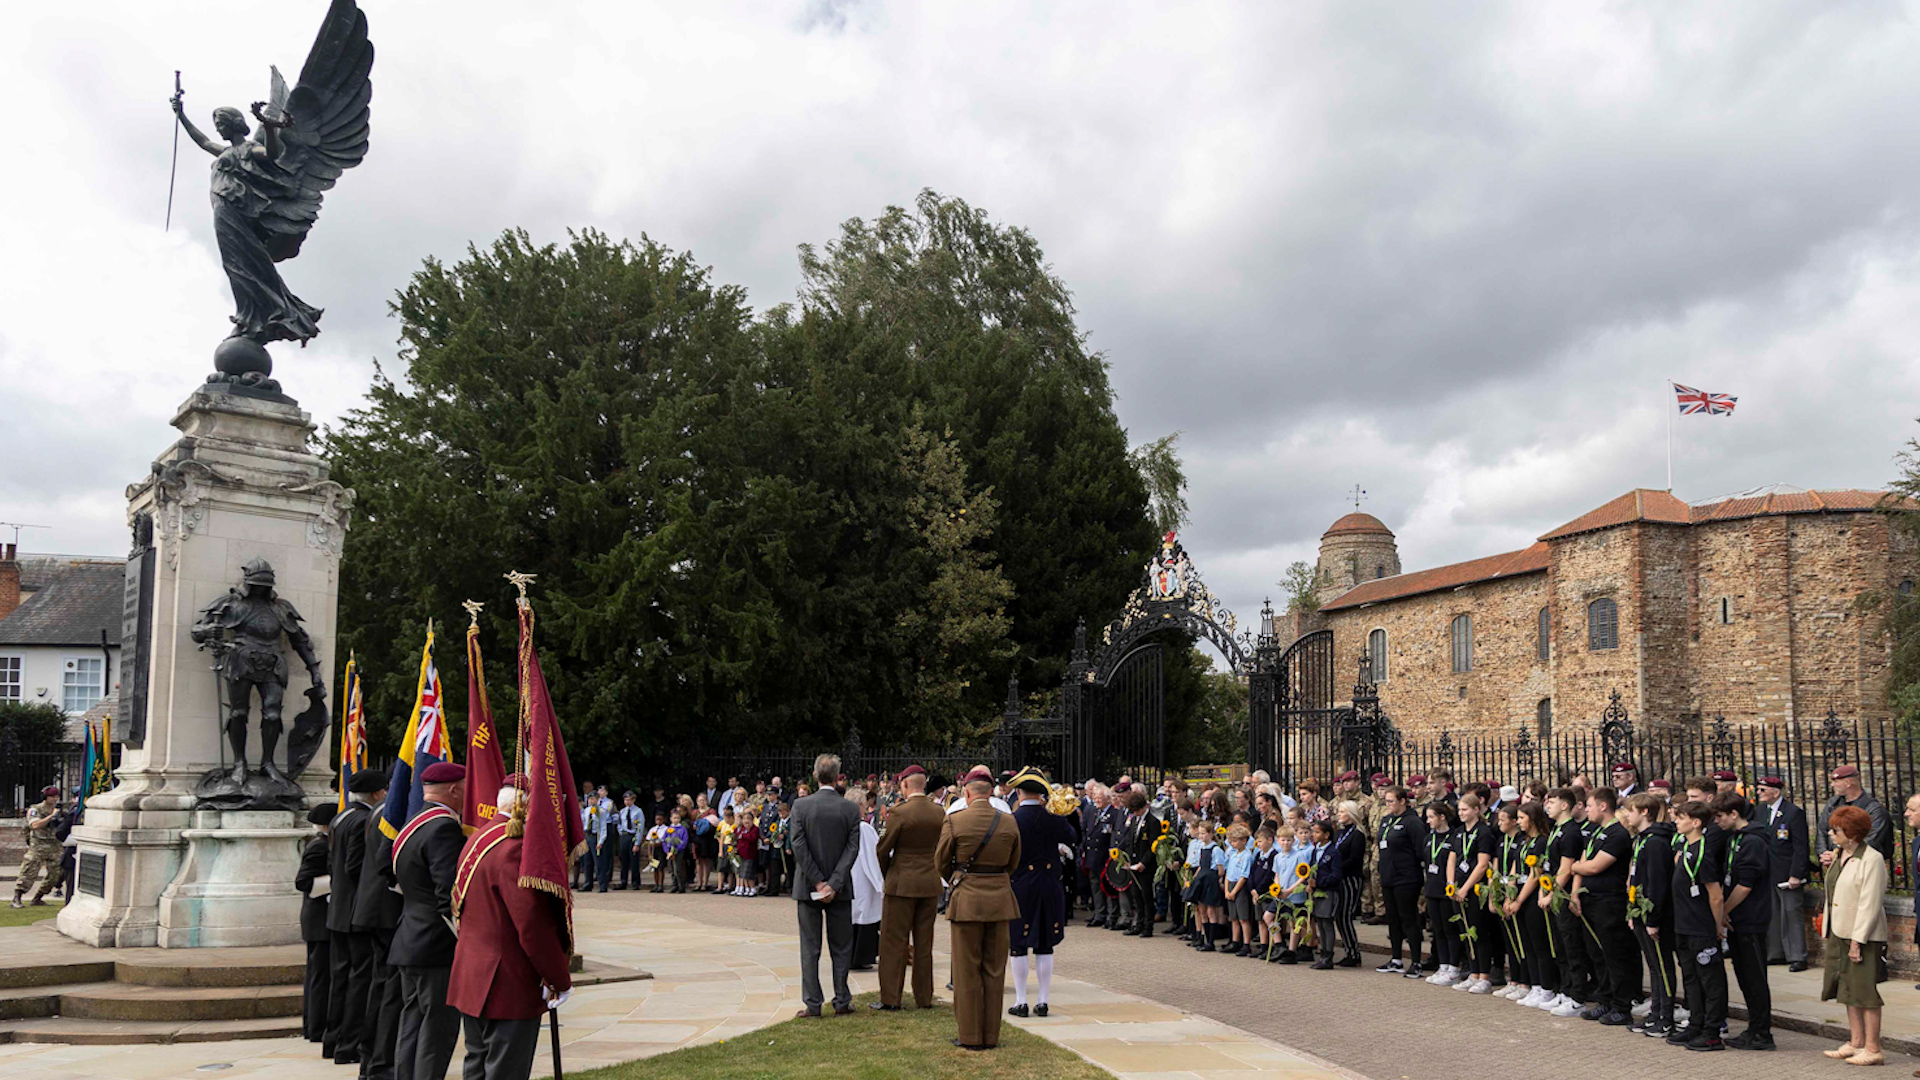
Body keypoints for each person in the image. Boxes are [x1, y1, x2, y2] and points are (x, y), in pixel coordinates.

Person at [448, 778, 572, 1080]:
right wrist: (558, 977)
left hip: (473, 975)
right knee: (506, 1071)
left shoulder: (479, 838)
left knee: (477, 1066)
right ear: (527, 806)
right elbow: (531, 926)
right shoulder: (514, 849)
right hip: (506, 980)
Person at [387, 762, 467, 1080]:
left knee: (412, 1026)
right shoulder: (443, 828)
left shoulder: (414, 824)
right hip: (436, 945)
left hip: (410, 938)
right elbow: (449, 894)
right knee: (437, 1031)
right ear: (454, 789)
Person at [937, 771, 1021, 1051]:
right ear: (992, 793)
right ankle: (991, 1035)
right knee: (995, 970)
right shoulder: (1009, 822)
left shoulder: (955, 820)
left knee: (966, 970)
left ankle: (971, 1036)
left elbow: (941, 861)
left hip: (967, 900)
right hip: (999, 898)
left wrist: (960, 877)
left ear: (968, 794)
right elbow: (1013, 862)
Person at [789, 753, 861, 1017]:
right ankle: (842, 1000)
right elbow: (853, 848)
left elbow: (798, 846)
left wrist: (818, 881)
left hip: (808, 885)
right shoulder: (850, 808)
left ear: (815, 775)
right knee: (841, 946)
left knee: (810, 947)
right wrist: (833, 882)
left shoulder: (801, 806)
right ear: (837, 776)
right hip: (838, 887)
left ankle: (812, 1003)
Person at [1820, 804, 1889, 1067]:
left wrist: (1857, 941)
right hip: (1840, 930)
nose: (1831, 833)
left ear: (1851, 832)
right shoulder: (1842, 853)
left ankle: (1873, 1048)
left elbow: (1869, 904)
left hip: (1862, 935)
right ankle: (1856, 1041)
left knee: (1864, 991)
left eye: (1836, 830)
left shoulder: (1871, 859)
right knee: (1847, 988)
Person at [327, 769, 385, 1065]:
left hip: (338, 911)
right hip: (354, 913)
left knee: (342, 978)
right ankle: (348, 1045)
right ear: (376, 794)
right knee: (359, 980)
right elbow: (355, 867)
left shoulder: (340, 817)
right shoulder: (362, 819)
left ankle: (334, 1039)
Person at [1005, 768, 1075, 1017]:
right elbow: (1072, 836)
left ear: (1018, 792)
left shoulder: (1011, 819)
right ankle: (1043, 1001)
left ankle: (1021, 1000)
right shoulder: (1053, 817)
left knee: (1018, 944)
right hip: (1049, 884)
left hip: (1021, 886)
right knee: (1045, 944)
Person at [873, 765, 942, 1011]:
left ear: (904, 785)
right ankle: (924, 997)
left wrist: (888, 872)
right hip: (929, 883)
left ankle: (891, 998)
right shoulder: (938, 812)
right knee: (924, 944)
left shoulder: (899, 812)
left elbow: (882, 848)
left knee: (894, 942)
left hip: (901, 882)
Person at [1712, 789, 1775, 1050]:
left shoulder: (1753, 842)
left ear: (1734, 814)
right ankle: (1753, 1027)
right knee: (1744, 975)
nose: (1717, 822)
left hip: (1751, 917)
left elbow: (1746, 884)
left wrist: (1724, 909)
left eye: (1719, 816)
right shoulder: (1735, 839)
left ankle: (1762, 1032)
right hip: (1738, 918)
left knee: (1754, 976)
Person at [1567, 786, 1635, 1026]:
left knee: (1614, 954)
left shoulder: (1618, 834)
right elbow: (1585, 861)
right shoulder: (1595, 832)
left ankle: (1622, 1005)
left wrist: (1574, 867)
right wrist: (1575, 893)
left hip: (1609, 901)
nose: (1586, 809)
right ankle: (1604, 1000)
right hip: (1589, 899)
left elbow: (1594, 866)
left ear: (1603, 806)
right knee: (1596, 954)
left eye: (1589, 804)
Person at [1668, 799, 1728, 1052]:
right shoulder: (1685, 847)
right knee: (1691, 978)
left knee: (1710, 980)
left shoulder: (1702, 852)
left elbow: (1715, 895)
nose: (1675, 821)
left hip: (1701, 927)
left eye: (1680, 818)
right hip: (1683, 924)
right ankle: (1696, 1023)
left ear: (1695, 823)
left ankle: (1712, 1032)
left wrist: (1717, 926)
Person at [1621, 792, 1676, 1038]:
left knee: (1662, 966)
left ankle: (1666, 1017)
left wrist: (1652, 919)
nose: (1627, 815)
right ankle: (1656, 1012)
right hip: (1640, 911)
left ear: (1644, 812)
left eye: (1630, 810)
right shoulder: (1641, 839)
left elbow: (1656, 884)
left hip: (1656, 916)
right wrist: (1633, 911)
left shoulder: (1655, 842)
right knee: (1653, 966)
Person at [1754, 776, 1810, 971]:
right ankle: (1775, 952)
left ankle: (1797, 955)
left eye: (1762, 790)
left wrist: (1796, 873)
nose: (1758, 793)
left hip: (1787, 872)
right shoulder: (1760, 811)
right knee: (1772, 913)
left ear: (1776, 792)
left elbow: (1800, 847)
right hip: (1767, 870)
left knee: (1791, 913)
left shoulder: (1793, 812)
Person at [1373, 785, 1427, 977]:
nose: (1388, 805)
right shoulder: (1387, 820)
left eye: (1391, 801)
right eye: (1386, 801)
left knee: (1408, 919)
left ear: (1403, 801)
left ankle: (1416, 961)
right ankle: (1396, 959)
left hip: (1406, 878)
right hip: (1388, 877)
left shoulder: (1413, 822)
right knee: (1393, 919)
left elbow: (1421, 850)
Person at [1446, 793, 1496, 993]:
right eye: (1459, 810)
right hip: (1457, 888)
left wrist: (1465, 888)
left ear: (1476, 810)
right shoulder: (1458, 832)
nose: (1461, 813)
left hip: (1474, 889)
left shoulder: (1484, 832)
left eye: (1465, 810)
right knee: (1465, 931)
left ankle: (1484, 975)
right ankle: (1473, 972)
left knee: (1479, 932)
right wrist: (1451, 883)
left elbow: (1483, 864)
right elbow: (1452, 858)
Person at [296, 803, 335, 1053]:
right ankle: (316, 1026)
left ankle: (315, 1025)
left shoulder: (320, 843)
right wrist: (338, 881)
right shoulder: (319, 845)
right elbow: (304, 882)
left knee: (320, 975)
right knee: (320, 977)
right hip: (319, 919)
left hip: (319, 919)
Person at [1820, 764, 1893, 869]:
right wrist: (1824, 853)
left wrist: (1838, 854)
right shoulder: (1832, 804)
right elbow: (1822, 831)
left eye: (1836, 781)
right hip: (1837, 864)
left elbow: (1872, 839)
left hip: (1863, 864)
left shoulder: (1873, 808)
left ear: (1848, 783)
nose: (1832, 785)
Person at [1423, 801, 1460, 985]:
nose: (1428, 821)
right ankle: (1443, 965)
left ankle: (1454, 967)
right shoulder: (1429, 837)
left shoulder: (1453, 837)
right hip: (1431, 888)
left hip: (1446, 890)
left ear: (1442, 817)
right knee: (1438, 930)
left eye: (1431, 817)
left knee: (1449, 930)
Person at [846, 787, 883, 970]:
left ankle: (849, 956)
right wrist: (879, 882)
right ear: (859, 805)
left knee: (853, 915)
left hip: (848, 877)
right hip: (862, 879)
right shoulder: (863, 828)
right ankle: (861, 957)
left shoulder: (841, 826)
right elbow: (873, 857)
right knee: (864, 913)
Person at [11, 786, 64, 908]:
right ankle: (17, 898)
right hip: (38, 844)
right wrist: (51, 817)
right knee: (29, 871)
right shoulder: (35, 809)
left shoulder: (60, 809)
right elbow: (35, 825)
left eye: (56, 796)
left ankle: (38, 897)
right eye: (52, 796)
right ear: (45, 797)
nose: (55, 799)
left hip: (55, 844)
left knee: (57, 873)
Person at [1330, 801, 1367, 967]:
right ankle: (1348, 950)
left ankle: (1353, 953)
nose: (1339, 814)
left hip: (1350, 878)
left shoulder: (1357, 834)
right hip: (1339, 877)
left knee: (1345, 916)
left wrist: (1336, 868)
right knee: (1339, 916)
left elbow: (1355, 859)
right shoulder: (1339, 833)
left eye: (1343, 812)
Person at [615, 790, 644, 891]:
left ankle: (635, 882)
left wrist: (637, 842)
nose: (627, 802)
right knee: (623, 859)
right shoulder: (622, 811)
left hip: (633, 835)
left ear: (633, 800)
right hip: (624, 836)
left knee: (634, 860)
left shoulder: (638, 811)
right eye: (625, 800)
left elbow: (640, 827)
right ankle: (623, 881)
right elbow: (619, 823)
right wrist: (621, 832)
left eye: (629, 800)